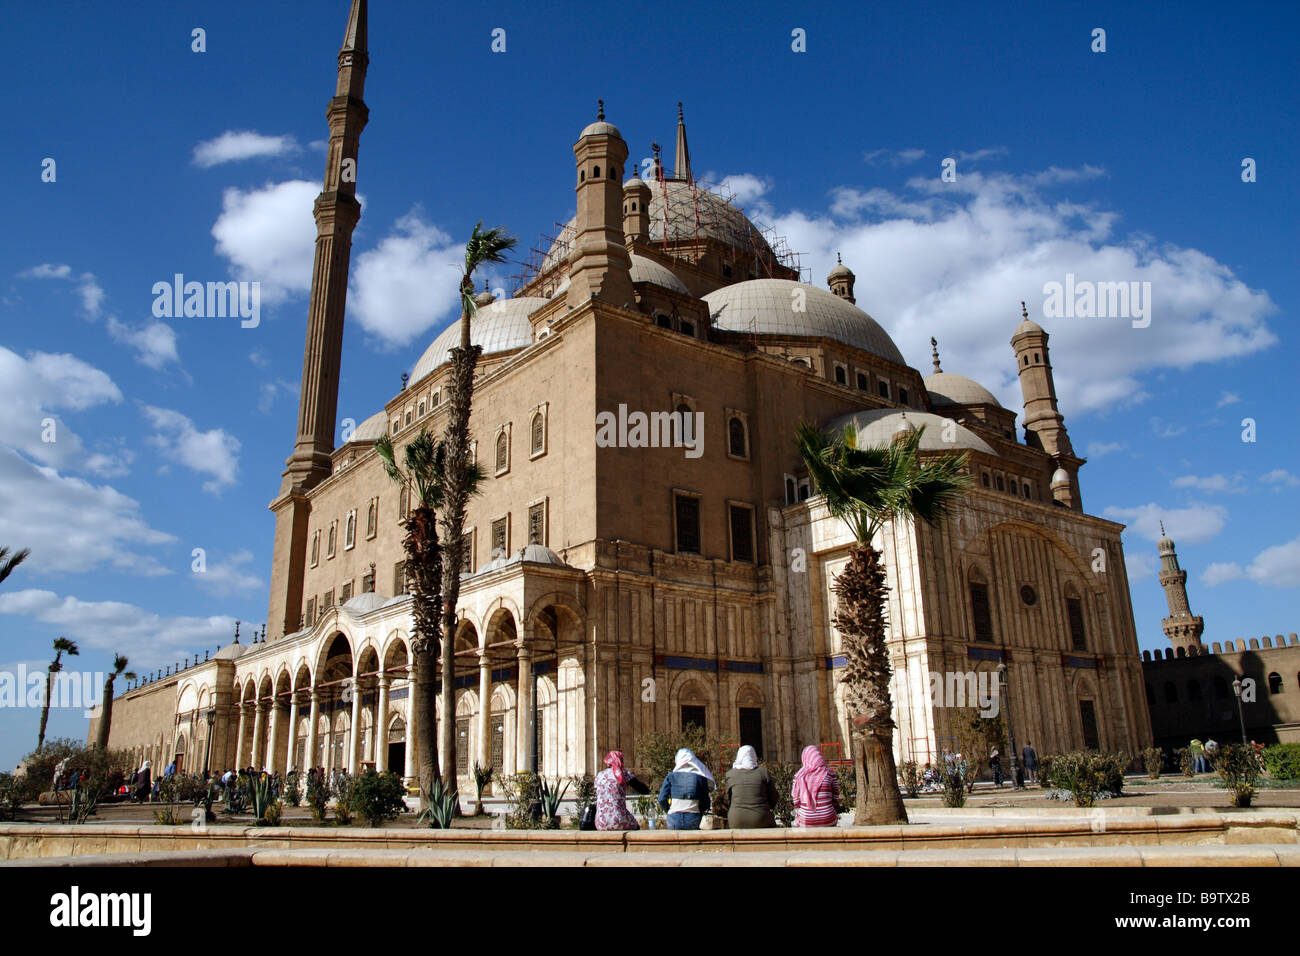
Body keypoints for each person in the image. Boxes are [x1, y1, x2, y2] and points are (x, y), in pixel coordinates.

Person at [657, 748, 714, 830]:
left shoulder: (671, 776)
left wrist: (669, 810)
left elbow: (661, 798)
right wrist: (699, 810)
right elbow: (706, 802)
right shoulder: (700, 778)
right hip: (693, 818)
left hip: (673, 819)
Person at [724, 745, 777, 829]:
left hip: (736, 819)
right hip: (761, 818)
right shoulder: (763, 773)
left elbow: (727, 799)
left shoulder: (730, 774)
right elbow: (773, 797)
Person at [594, 751, 645, 831]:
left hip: (600, 823)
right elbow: (642, 789)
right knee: (636, 827)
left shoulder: (599, 775)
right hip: (619, 820)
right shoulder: (624, 774)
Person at [792, 745, 840, 827]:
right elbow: (836, 797)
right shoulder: (829, 773)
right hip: (828, 818)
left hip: (806, 819)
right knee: (832, 815)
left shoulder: (799, 776)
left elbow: (796, 800)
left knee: (796, 820)